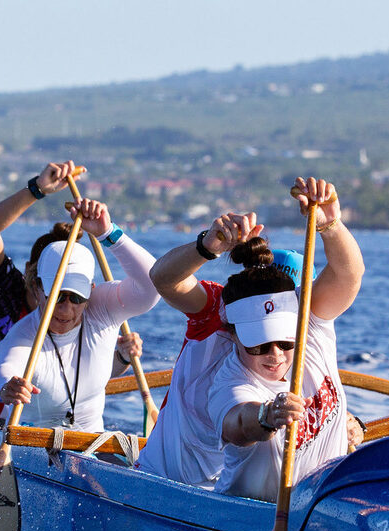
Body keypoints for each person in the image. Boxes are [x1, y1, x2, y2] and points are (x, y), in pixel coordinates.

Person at [142, 177, 363, 500]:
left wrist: (331, 225)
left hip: (248, 490)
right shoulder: (217, 310)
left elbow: (349, 274)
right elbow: (162, 278)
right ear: (232, 330)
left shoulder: (307, 318)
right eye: (258, 344)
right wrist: (206, 246)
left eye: (286, 342)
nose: (275, 354)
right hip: (172, 483)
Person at [0, 162, 142, 424]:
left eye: (72, 290)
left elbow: (77, 379)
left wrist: (119, 356)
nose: (65, 302)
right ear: (32, 270)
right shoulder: (1, 285)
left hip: (8, 426)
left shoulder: (76, 314)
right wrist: (37, 189)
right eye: (52, 283)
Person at [0, 197, 159, 432]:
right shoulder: (23, 336)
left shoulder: (102, 309)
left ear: (90, 291)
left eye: (76, 297)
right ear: (37, 288)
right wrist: (7, 388)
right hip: (31, 444)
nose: (66, 308)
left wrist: (109, 233)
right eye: (57, 296)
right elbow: (4, 371)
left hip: (92, 444)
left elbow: (152, 286)